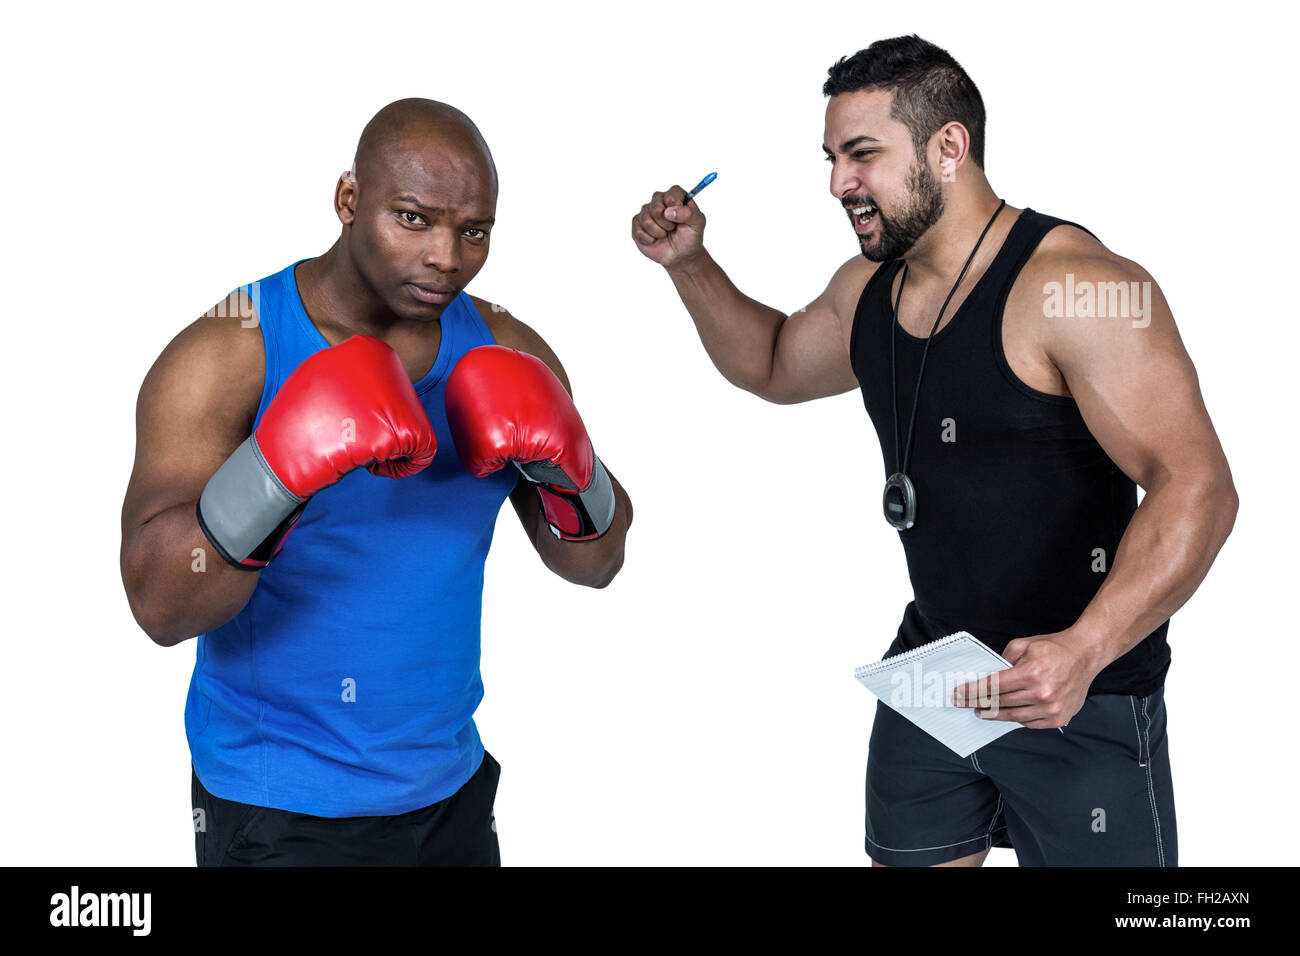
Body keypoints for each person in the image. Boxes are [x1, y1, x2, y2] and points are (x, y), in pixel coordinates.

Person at [631, 35, 1236, 866]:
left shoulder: (1077, 288)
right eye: (833, 158)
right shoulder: (869, 289)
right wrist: (688, 263)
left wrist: (1084, 649)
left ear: (948, 147)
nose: (839, 183)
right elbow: (772, 363)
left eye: (862, 155)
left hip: (1076, 690)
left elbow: (1198, 486)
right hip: (937, 668)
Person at [120, 98, 633, 866]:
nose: (447, 259)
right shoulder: (230, 351)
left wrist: (569, 472)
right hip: (278, 810)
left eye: (474, 232)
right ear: (348, 201)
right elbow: (159, 606)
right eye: (413, 219)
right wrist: (279, 470)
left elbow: (598, 563)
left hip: (451, 793)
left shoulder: (505, 348)